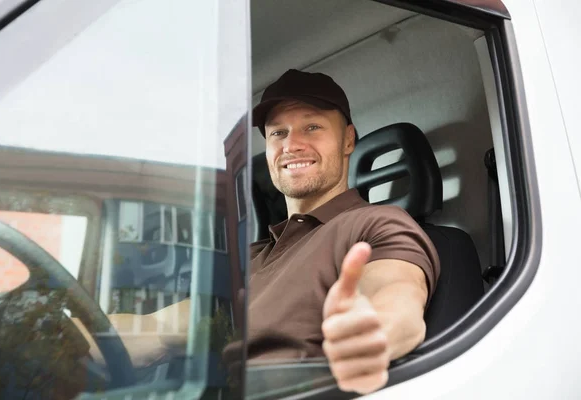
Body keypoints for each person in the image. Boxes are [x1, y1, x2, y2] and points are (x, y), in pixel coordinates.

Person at [85, 69, 440, 396]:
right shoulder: (253, 257)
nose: (291, 144)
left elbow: (397, 295)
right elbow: (153, 329)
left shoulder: (377, 223)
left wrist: (370, 332)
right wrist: (53, 334)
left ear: (348, 140)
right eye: (278, 133)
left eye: (312, 127)